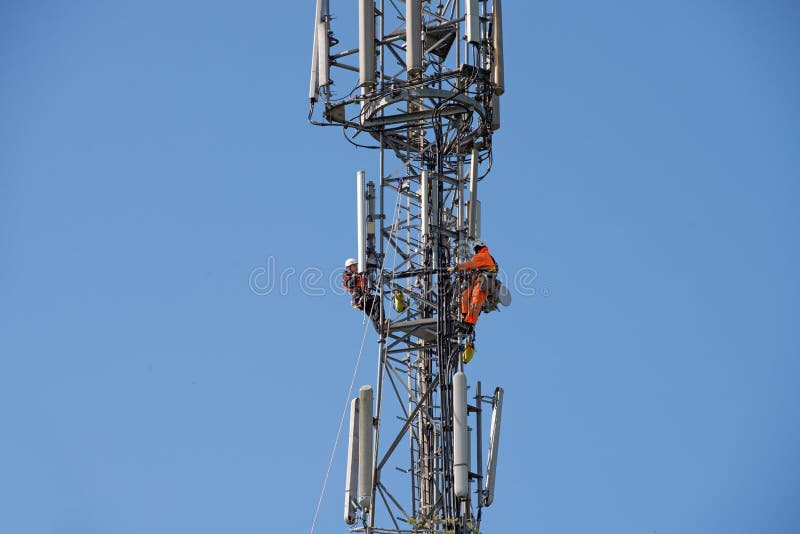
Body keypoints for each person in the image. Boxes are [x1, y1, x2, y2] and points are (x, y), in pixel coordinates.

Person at [448, 240, 498, 326]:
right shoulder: (487, 256)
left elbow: (469, 265)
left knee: (475, 302)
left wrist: (456, 268)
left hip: (482, 282)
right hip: (481, 281)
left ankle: (469, 323)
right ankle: (464, 316)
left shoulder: (481, 256)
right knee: (465, 294)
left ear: (477, 248)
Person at [342, 258, 383, 333]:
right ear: (349, 267)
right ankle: (381, 322)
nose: (356, 267)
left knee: (372, 312)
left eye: (356, 265)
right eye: (354, 266)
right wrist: (356, 276)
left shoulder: (359, 275)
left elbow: (368, 278)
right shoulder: (346, 276)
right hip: (358, 299)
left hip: (364, 297)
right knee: (376, 299)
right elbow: (350, 284)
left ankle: (379, 328)